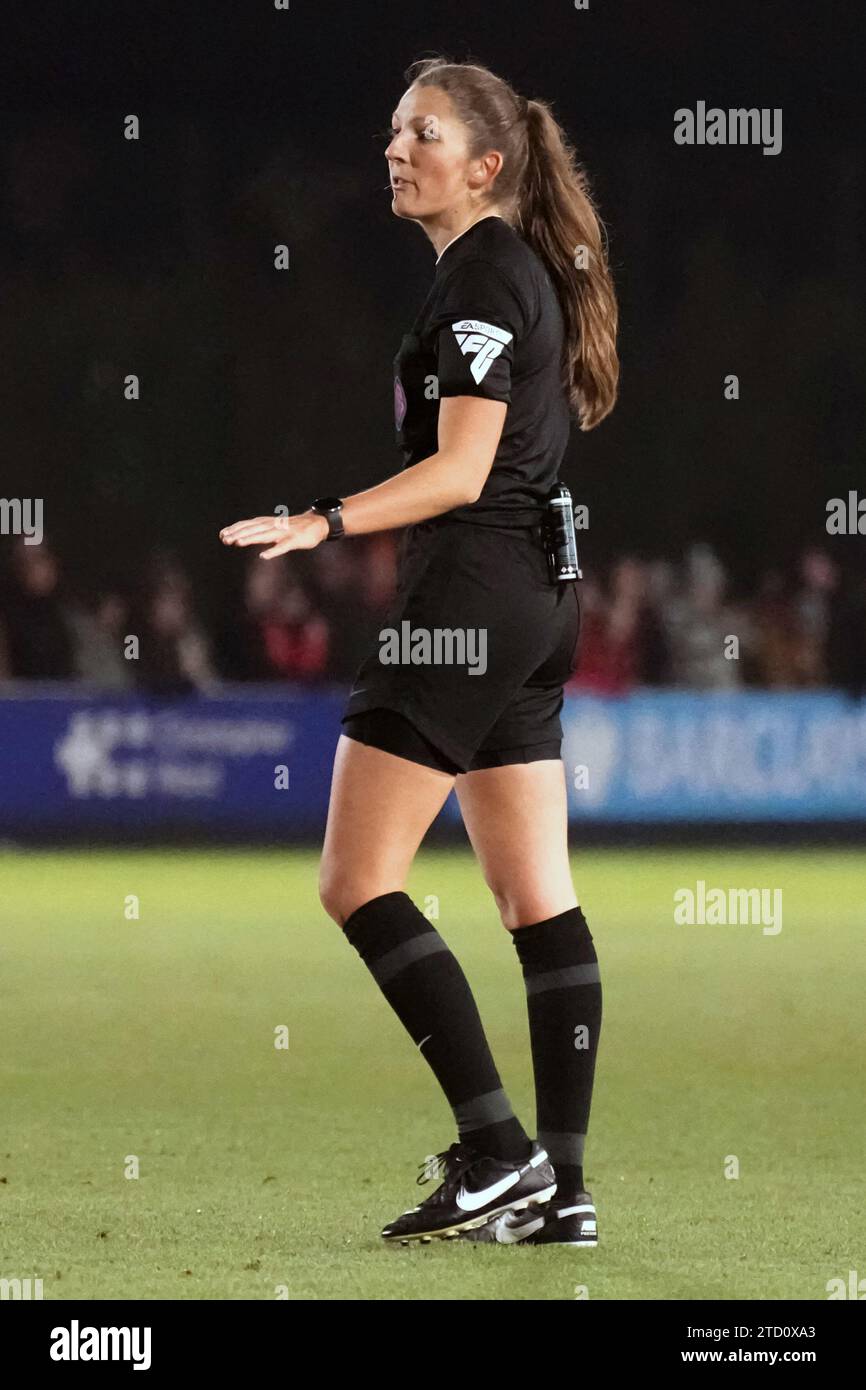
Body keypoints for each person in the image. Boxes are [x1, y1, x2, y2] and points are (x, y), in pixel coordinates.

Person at [220, 56, 618, 1247]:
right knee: (532, 892)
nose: (397, 149)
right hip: (534, 601)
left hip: (471, 598)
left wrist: (321, 520)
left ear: (485, 165)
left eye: (424, 132)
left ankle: (496, 1153)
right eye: (393, 129)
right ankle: (562, 1182)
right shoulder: (504, 269)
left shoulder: (485, 272)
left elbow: (456, 472)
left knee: (354, 879)